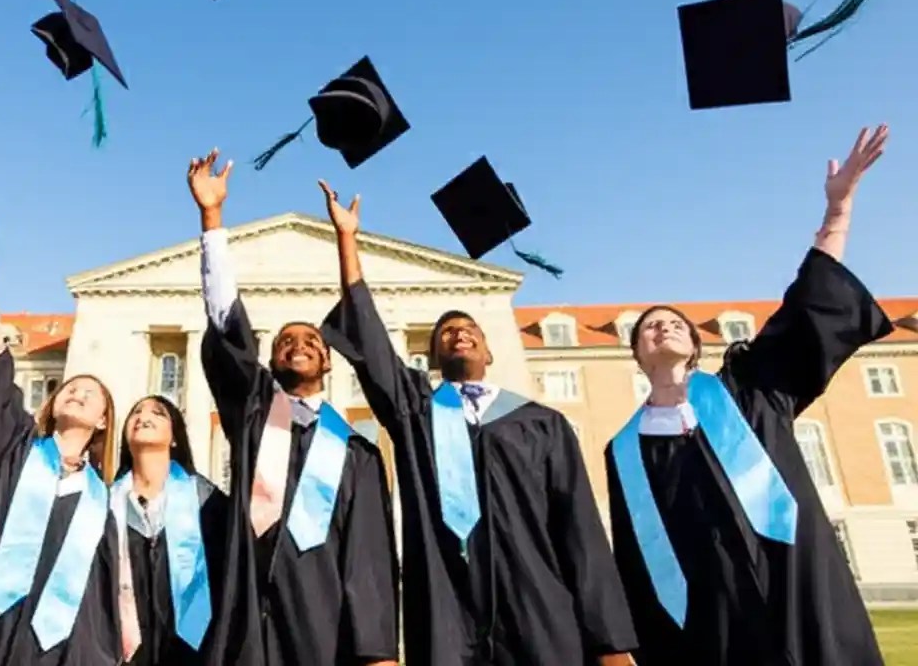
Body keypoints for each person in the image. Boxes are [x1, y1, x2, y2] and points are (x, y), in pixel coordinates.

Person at [604, 125, 892, 666]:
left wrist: (839, 211)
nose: (661, 328)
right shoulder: (625, 452)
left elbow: (808, 306)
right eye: (649, 327)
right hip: (705, 623)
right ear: (637, 355)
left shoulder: (749, 390)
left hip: (796, 587)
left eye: (673, 323)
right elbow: (635, 562)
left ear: (693, 344)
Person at [318, 180, 637, 665]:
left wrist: (610, 642)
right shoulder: (416, 413)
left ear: (489, 352)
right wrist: (348, 242)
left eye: (469, 329)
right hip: (449, 608)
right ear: (432, 355)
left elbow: (581, 532)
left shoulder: (541, 423)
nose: (459, 334)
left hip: (538, 605)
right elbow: (371, 339)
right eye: (447, 332)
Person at [187, 149, 400, 666]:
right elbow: (226, 329)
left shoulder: (357, 452)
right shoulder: (254, 412)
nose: (298, 344)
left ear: (329, 362)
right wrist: (212, 221)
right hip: (246, 624)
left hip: (326, 631)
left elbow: (369, 556)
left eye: (310, 339)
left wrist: (377, 651)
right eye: (284, 339)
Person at [0, 197, 120, 666]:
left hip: (64, 643)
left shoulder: (103, 497)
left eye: (91, 394)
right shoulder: (15, 449)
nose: (76, 393)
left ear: (104, 421)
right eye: (70, 388)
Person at [112, 394, 229, 666]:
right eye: (136, 412)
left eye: (158, 413)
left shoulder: (209, 504)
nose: (143, 416)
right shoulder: (104, 506)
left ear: (175, 438)